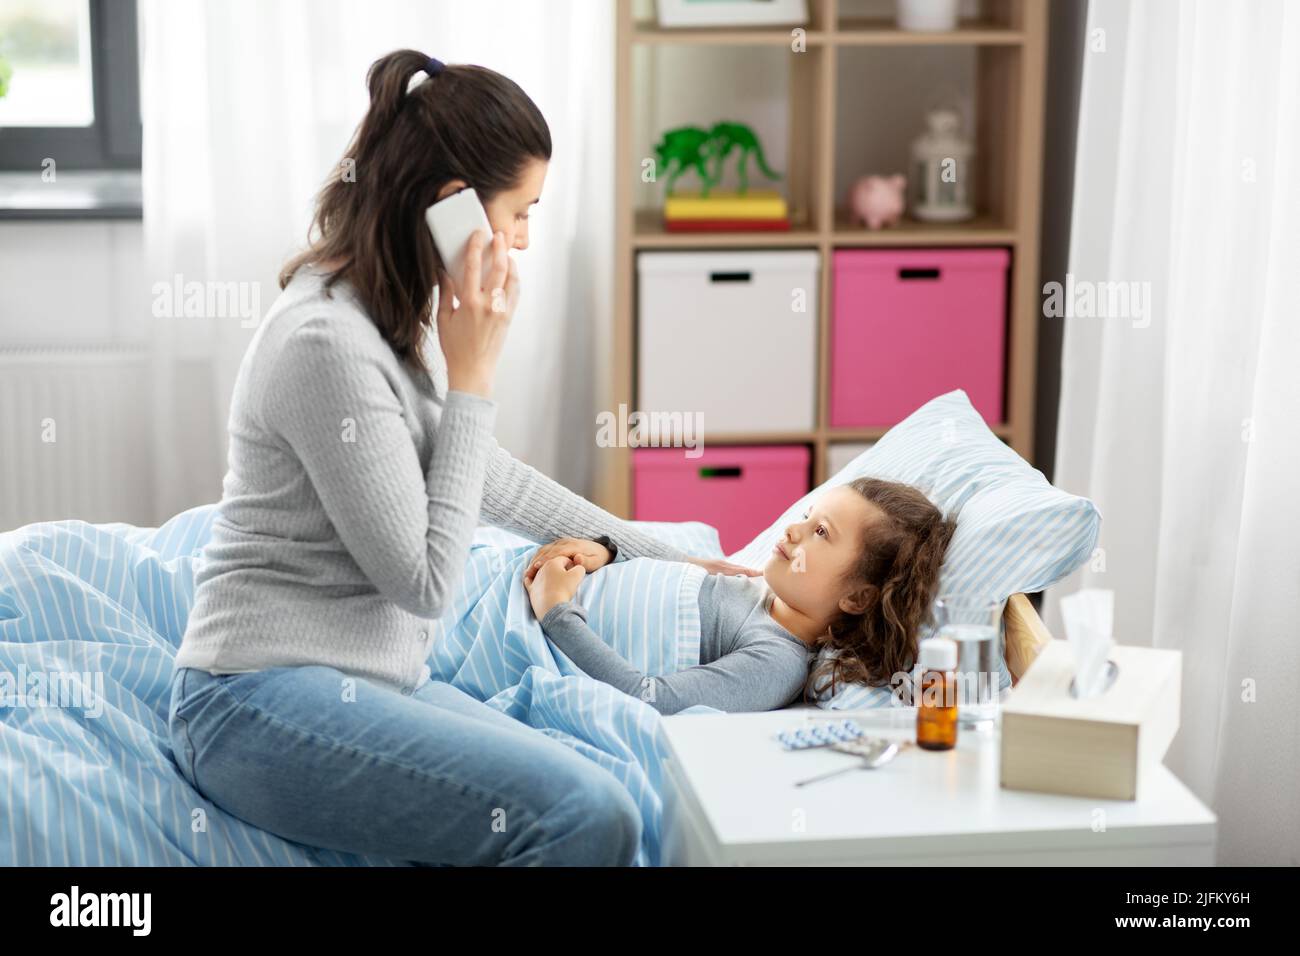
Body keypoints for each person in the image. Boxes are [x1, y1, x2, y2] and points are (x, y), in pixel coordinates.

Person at [167, 49, 750, 867]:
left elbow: (489, 479)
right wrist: (475, 372)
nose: (521, 240)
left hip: (363, 682)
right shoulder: (325, 342)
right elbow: (425, 581)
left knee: (611, 784)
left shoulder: (390, 318)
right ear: (451, 208)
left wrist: (670, 553)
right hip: (253, 700)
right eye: (517, 213)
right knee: (586, 816)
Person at [526, 478, 956, 714]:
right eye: (808, 517)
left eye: (821, 532)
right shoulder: (750, 584)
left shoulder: (776, 661)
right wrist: (607, 551)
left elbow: (649, 698)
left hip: (525, 623)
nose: (792, 529)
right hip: (535, 575)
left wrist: (556, 612)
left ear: (858, 598)